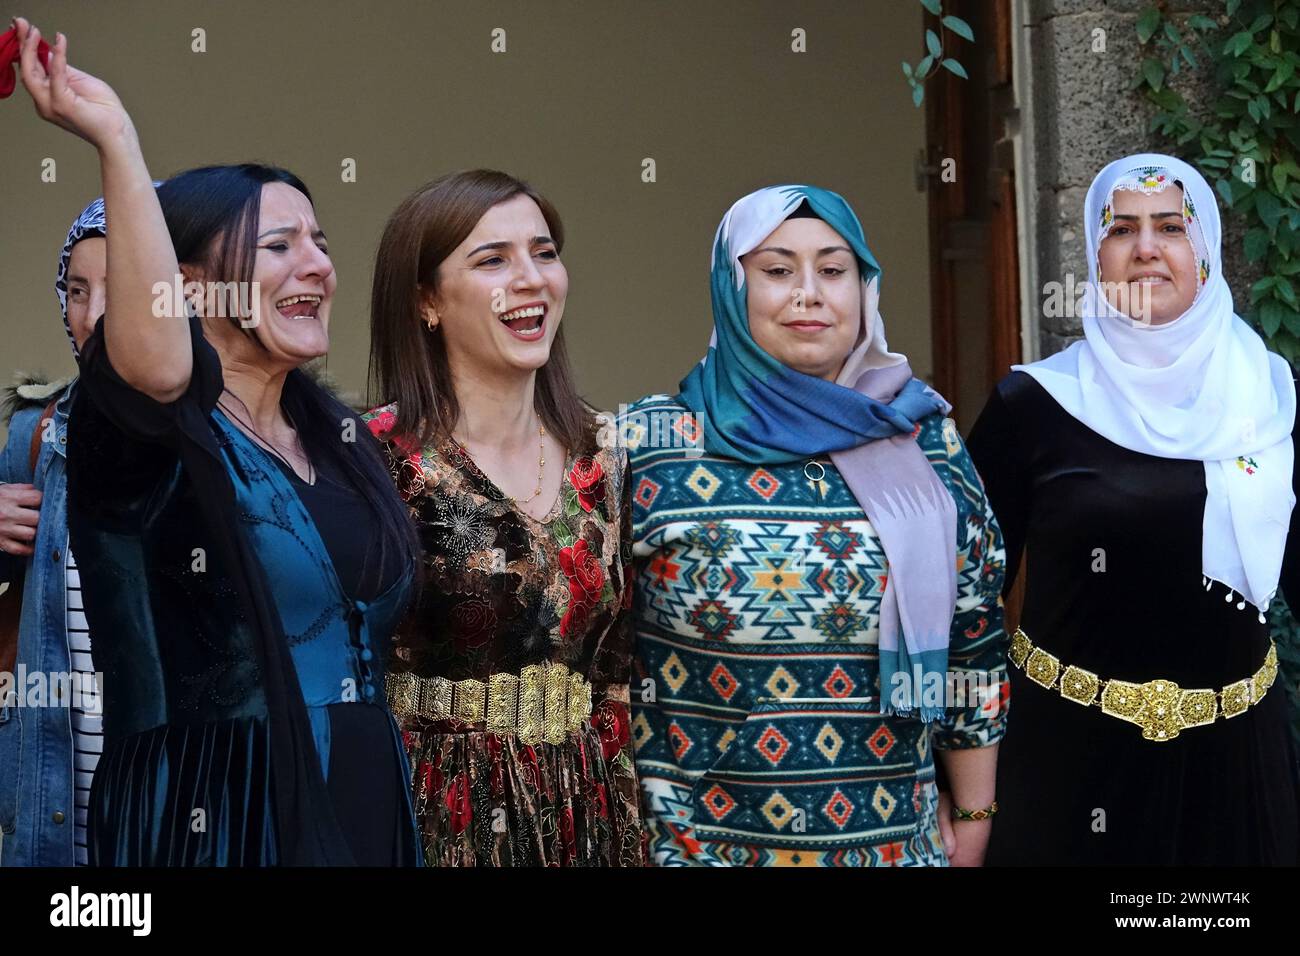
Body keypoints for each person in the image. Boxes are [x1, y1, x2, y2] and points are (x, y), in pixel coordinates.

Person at [10, 18, 422, 865]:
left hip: (365, 800)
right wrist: (115, 138)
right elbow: (159, 368)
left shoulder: (337, 438)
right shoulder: (138, 427)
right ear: (186, 290)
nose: (318, 266)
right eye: (279, 245)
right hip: (214, 815)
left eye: (320, 242)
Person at [624, 184, 1009, 866]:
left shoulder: (926, 441)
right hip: (699, 851)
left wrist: (976, 816)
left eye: (834, 270)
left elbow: (973, 640)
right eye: (776, 271)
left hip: (896, 849)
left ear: (864, 288)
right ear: (729, 285)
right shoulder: (652, 443)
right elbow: (598, 659)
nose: (809, 293)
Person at [967, 153, 1300, 865]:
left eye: (1171, 227)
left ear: (1204, 252)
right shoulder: (1034, 404)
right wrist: (963, 786)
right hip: (1071, 765)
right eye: (1122, 228)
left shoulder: (1272, 399)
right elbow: (964, 599)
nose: (1146, 247)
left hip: (1238, 768)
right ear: (1096, 255)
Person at [363, 169, 644, 865]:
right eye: (493, 260)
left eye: (544, 253)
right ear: (426, 300)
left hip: (588, 815)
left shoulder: (610, 456)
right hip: (431, 816)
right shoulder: (374, 458)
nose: (531, 278)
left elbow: (622, 673)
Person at [0, 197, 109, 866]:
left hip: (182, 811)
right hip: (54, 815)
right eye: (77, 290)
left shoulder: (232, 440)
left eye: (120, 290)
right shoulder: (34, 435)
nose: (93, 315)